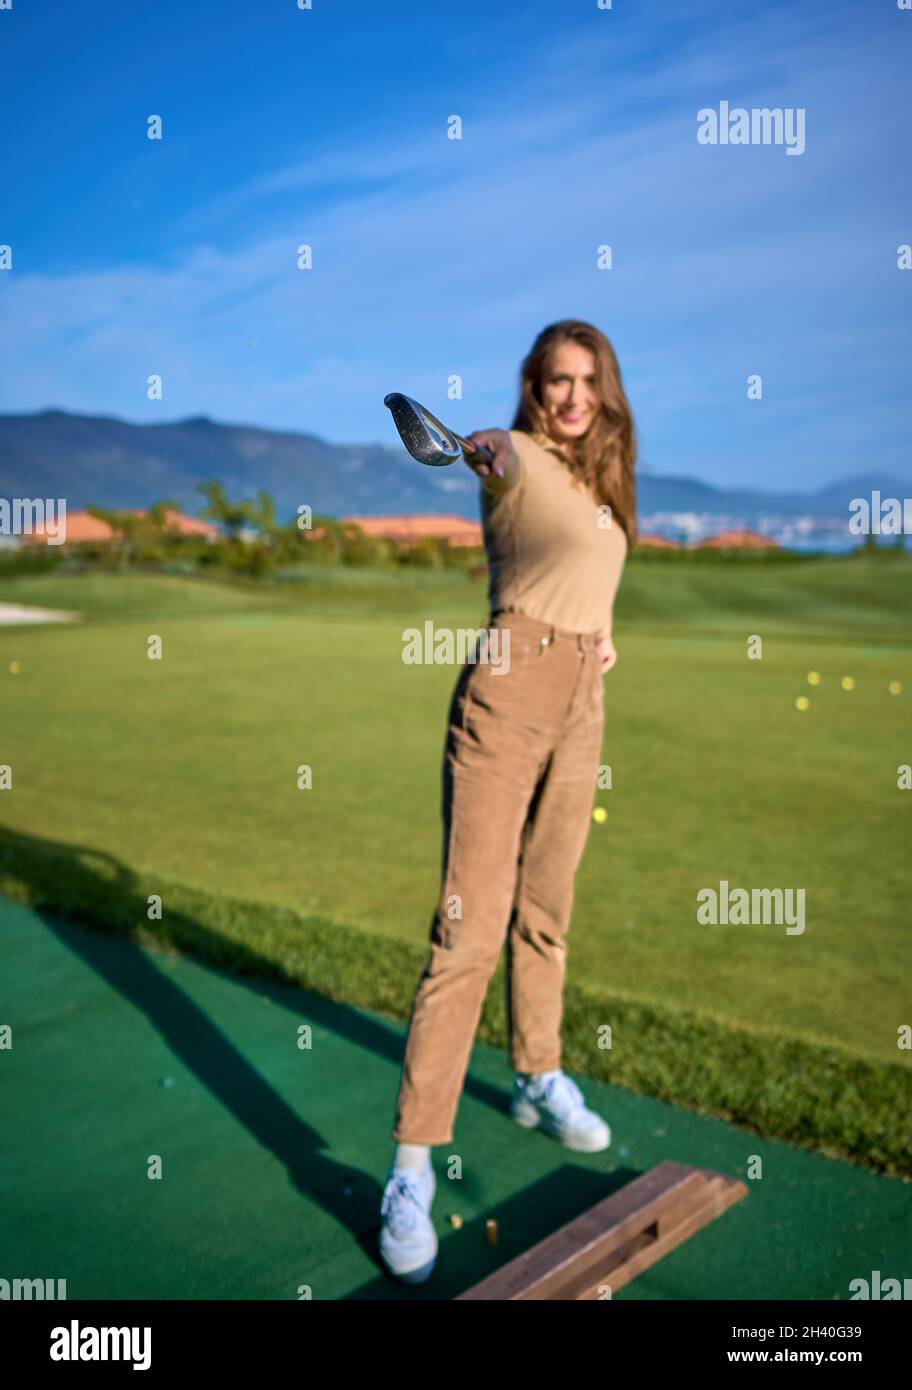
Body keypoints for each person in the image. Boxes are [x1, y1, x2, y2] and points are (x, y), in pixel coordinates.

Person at [379, 319, 637, 1283]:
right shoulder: (517, 455)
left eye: (587, 381)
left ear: (605, 391)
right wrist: (478, 444)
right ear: (534, 387)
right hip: (509, 688)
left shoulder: (606, 484)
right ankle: (410, 1166)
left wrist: (602, 639)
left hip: (584, 702)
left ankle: (536, 1074)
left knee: (547, 914)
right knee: (470, 929)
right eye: (556, 380)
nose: (573, 395)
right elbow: (487, 452)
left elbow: (596, 580)